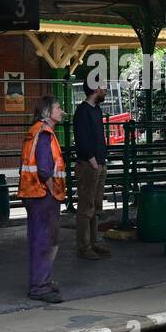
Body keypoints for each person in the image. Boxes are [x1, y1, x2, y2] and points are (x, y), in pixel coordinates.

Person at [19, 96, 66, 303]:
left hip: (33, 193)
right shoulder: (45, 134)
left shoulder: (35, 131)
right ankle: (40, 287)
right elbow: (45, 171)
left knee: (41, 239)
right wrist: (54, 191)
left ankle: (43, 281)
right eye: (58, 108)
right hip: (42, 195)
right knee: (44, 241)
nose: (62, 111)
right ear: (47, 112)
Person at [72, 83, 111, 260]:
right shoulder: (83, 111)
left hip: (98, 163)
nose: (105, 90)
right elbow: (82, 138)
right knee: (86, 206)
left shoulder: (95, 110)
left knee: (96, 206)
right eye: (103, 87)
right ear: (95, 89)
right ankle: (84, 247)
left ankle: (93, 243)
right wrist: (93, 160)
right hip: (90, 164)